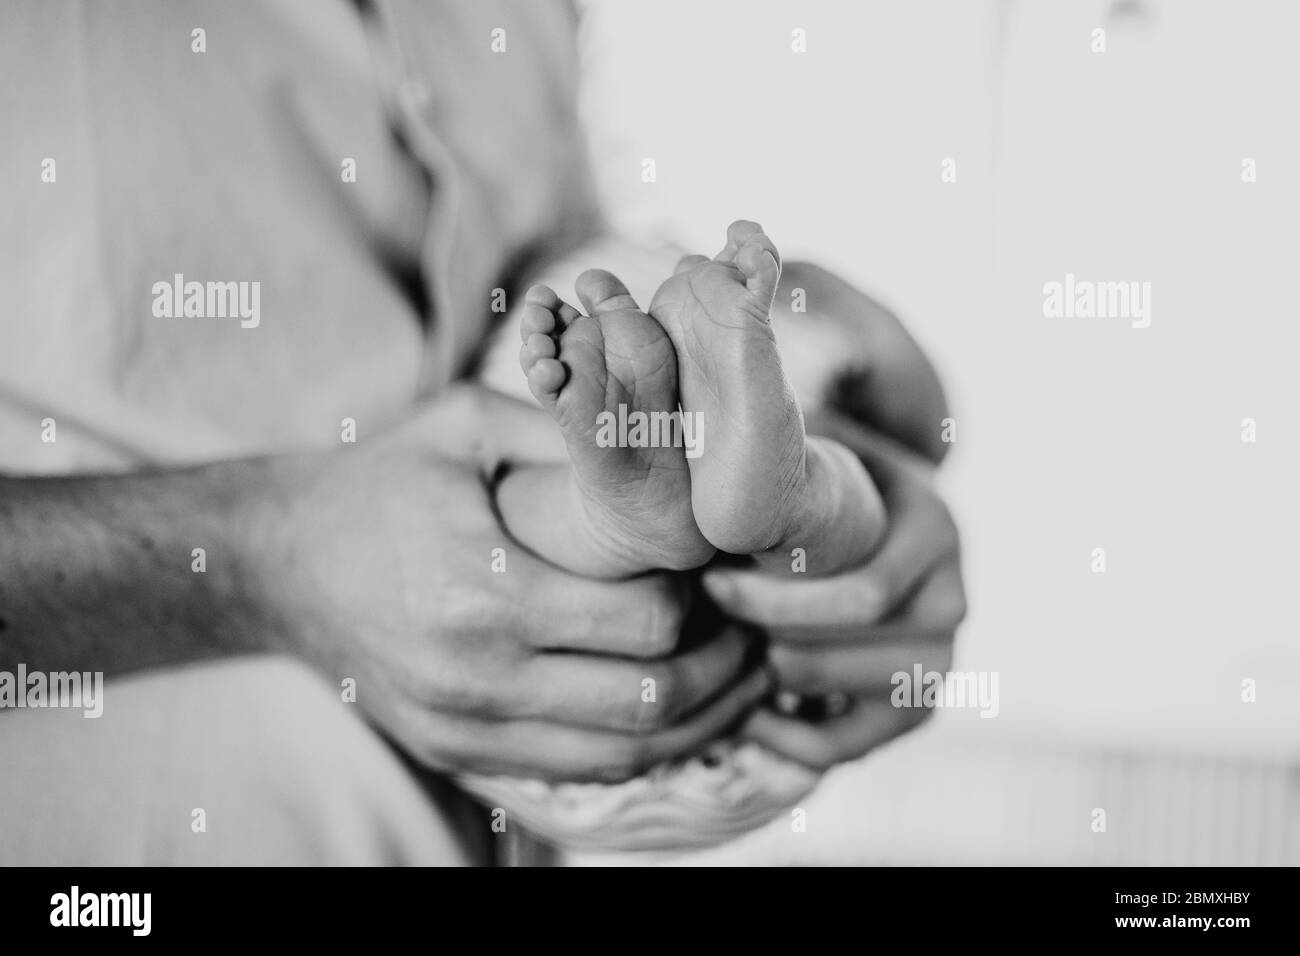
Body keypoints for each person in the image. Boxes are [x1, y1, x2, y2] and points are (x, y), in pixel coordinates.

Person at [0, 0, 964, 865]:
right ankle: (765, 500)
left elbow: (555, 282)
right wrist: (257, 555)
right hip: (196, 834)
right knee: (794, 503)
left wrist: (906, 569)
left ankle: (673, 510)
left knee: (560, 501)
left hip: (651, 711)